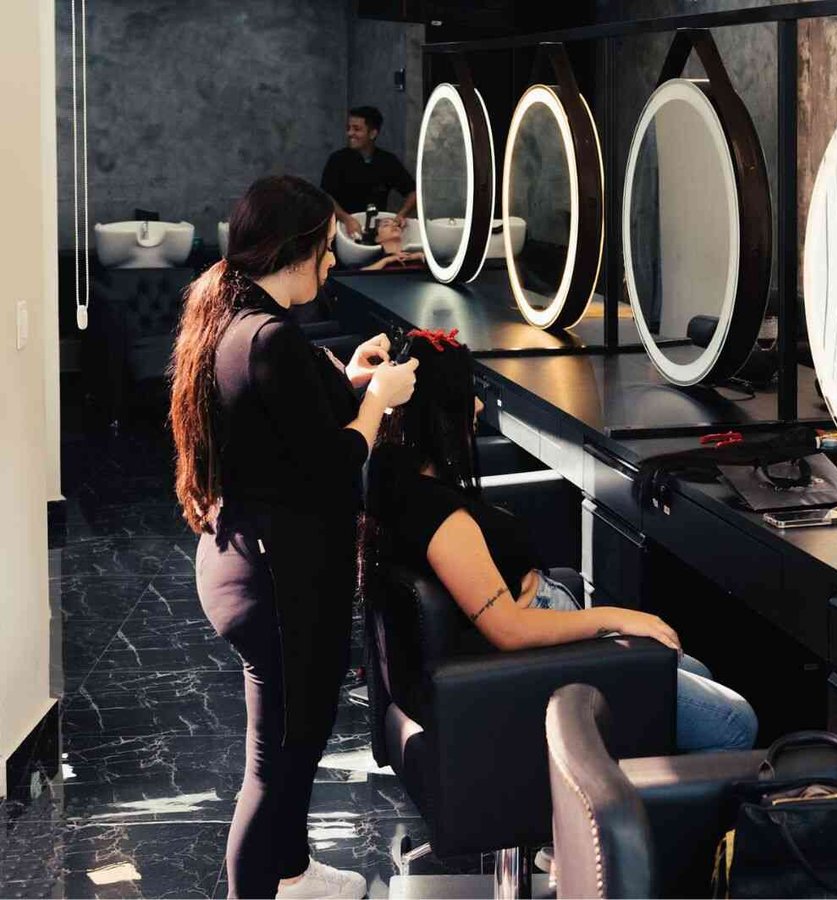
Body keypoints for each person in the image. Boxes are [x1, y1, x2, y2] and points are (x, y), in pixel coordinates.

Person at [170, 175, 419, 899]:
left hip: (248, 562)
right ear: (298, 249)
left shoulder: (236, 317)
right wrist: (374, 405)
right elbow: (330, 464)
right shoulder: (269, 335)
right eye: (326, 250)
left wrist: (350, 379)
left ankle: (294, 874)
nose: (335, 262)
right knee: (274, 766)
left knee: (292, 745)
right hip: (276, 580)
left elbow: (284, 424)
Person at [359, 328, 759, 754]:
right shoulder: (438, 516)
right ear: (437, 409)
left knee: (697, 669)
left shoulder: (392, 472)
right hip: (538, 661)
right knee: (734, 721)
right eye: (467, 392)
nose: (477, 405)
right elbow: (509, 630)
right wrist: (614, 618)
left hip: (543, 636)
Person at [321, 106, 417, 239]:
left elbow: (413, 192)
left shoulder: (387, 161)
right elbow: (325, 197)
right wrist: (346, 219)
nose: (350, 133)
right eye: (348, 128)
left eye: (357, 129)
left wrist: (401, 215)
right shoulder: (338, 160)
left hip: (377, 232)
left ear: (372, 134)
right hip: (343, 231)